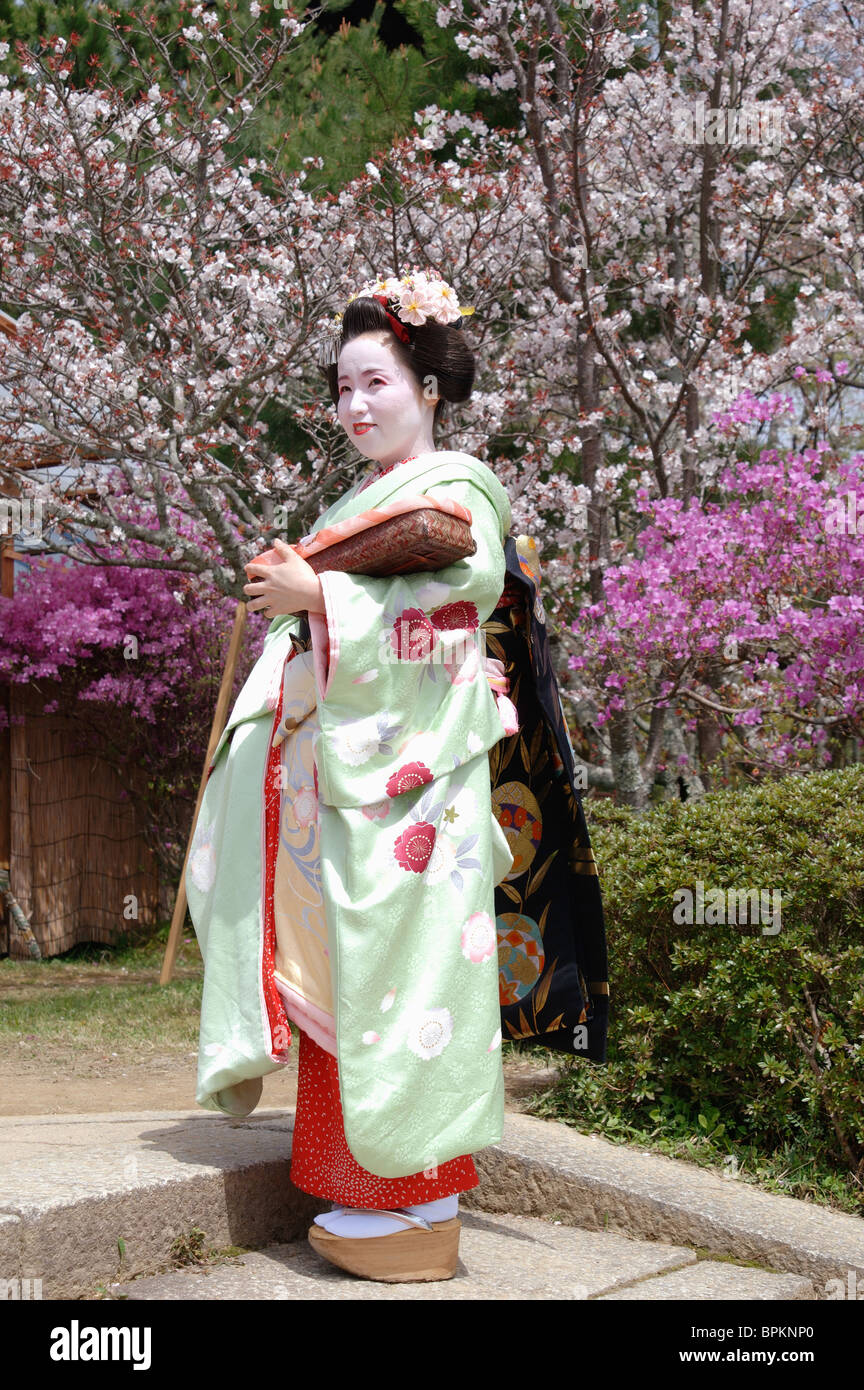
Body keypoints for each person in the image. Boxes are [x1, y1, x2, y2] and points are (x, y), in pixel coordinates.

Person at [185, 270, 609, 1285]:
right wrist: (314, 599)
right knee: (355, 983)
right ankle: (360, 1189)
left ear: (428, 385)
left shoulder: (455, 490)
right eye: (342, 387)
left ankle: (427, 1200)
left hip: (415, 790)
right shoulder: (359, 500)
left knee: (414, 982)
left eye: (377, 381)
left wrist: (319, 596)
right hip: (347, 788)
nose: (357, 405)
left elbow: (451, 622)